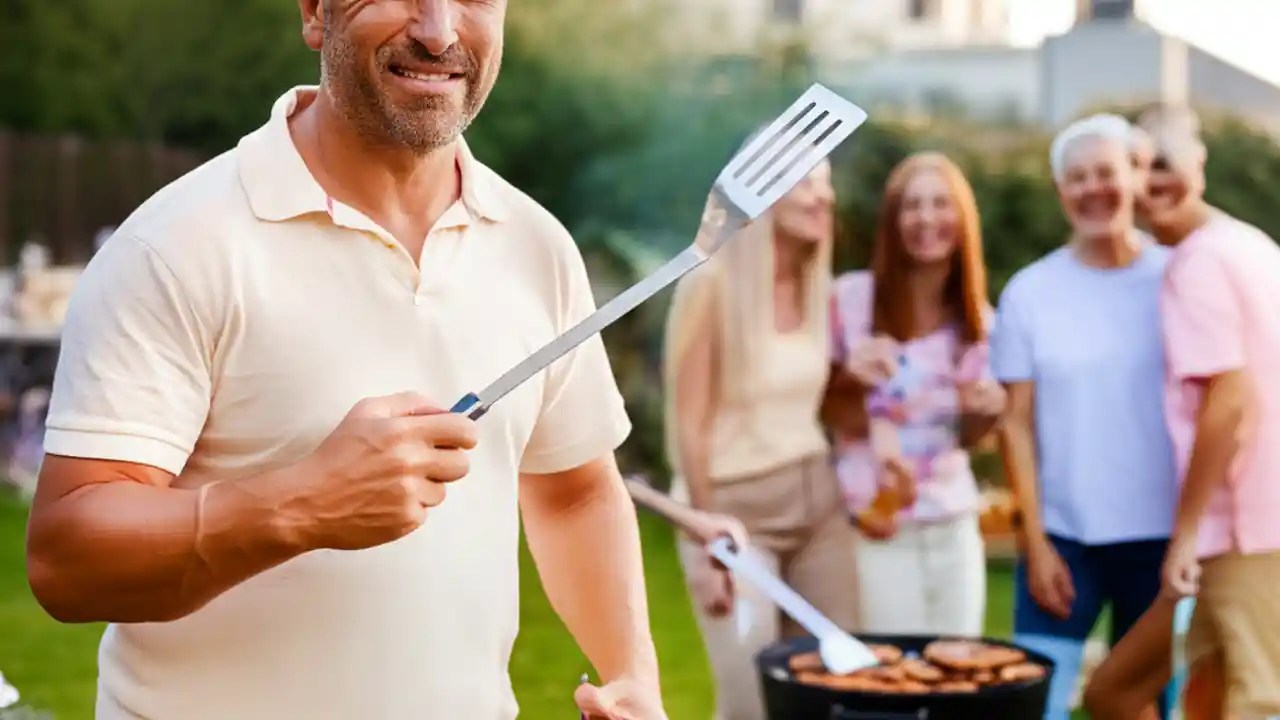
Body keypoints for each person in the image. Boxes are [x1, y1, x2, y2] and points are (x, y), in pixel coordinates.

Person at [24, 3, 665, 720]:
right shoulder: (177, 247)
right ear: (314, 11)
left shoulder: (534, 246)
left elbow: (574, 491)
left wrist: (631, 671)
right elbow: (67, 560)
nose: (439, 30)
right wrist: (302, 504)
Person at [1085, 104, 1280, 720]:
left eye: (1163, 165)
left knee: (1255, 701)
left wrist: (1188, 534)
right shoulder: (1250, 245)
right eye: (1136, 168)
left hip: (1248, 532)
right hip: (1249, 528)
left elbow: (1229, 398)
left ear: (1200, 161)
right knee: (1119, 693)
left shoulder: (1196, 264)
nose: (1147, 186)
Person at [991, 113, 1177, 720]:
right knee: (1035, 706)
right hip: (1065, 541)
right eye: (1077, 177)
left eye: (1106, 172)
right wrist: (1035, 541)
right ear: (1059, 192)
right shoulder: (1030, 291)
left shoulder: (1177, 277)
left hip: (1164, 544)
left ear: (1135, 176)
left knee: (1157, 709)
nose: (1093, 188)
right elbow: (1014, 423)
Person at [663, 156, 860, 720]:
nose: (823, 197)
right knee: (752, 700)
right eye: (806, 184)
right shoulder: (712, 281)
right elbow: (689, 422)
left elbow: (815, 400)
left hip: (818, 506)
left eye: (827, 182)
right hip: (732, 511)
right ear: (762, 193)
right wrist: (707, 546)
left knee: (835, 693)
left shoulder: (815, 282)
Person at [825, 151, 1005, 637]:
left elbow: (967, 439)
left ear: (963, 219)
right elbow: (823, 412)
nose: (927, 219)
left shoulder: (980, 325)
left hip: (952, 522)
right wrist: (848, 378)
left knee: (956, 673)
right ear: (892, 221)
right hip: (875, 524)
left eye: (941, 204)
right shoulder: (850, 300)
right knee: (892, 682)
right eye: (912, 206)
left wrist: (987, 414)